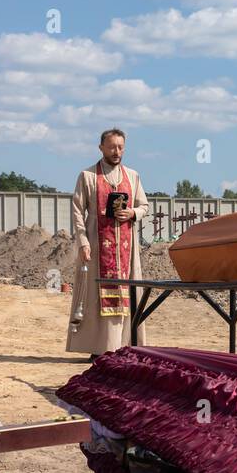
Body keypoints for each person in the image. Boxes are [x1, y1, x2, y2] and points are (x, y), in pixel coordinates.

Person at [65, 128, 149, 358]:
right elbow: (76, 211)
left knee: (127, 294)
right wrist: (82, 241)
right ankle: (99, 346)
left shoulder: (133, 176)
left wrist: (132, 213)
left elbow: (144, 206)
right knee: (95, 295)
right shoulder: (88, 176)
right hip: (96, 242)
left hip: (126, 248)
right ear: (101, 147)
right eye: (112, 147)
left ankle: (124, 346)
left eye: (120, 147)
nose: (116, 151)